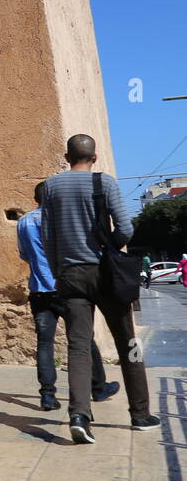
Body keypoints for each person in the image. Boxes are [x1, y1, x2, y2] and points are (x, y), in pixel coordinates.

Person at [40, 134, 159, 443]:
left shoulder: (51, 187)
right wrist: (112, 248)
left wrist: (58, 271)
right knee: (128, 342)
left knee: (78, 346)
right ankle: (140, 414)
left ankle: (79, 414)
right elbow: (126, 229)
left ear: (67, 157)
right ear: (94, 158)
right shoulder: (104, 183)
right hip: (106, 273)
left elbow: (48, 237)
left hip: (70, 274)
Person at [18, 181, 117, 412]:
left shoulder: (23, 221)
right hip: (67, 288)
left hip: (39, 291)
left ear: (35, 199)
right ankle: (99, 387)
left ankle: (47, 396)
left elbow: (24, 254)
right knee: (84, 339)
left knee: (44, 343)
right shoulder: (62, 220)